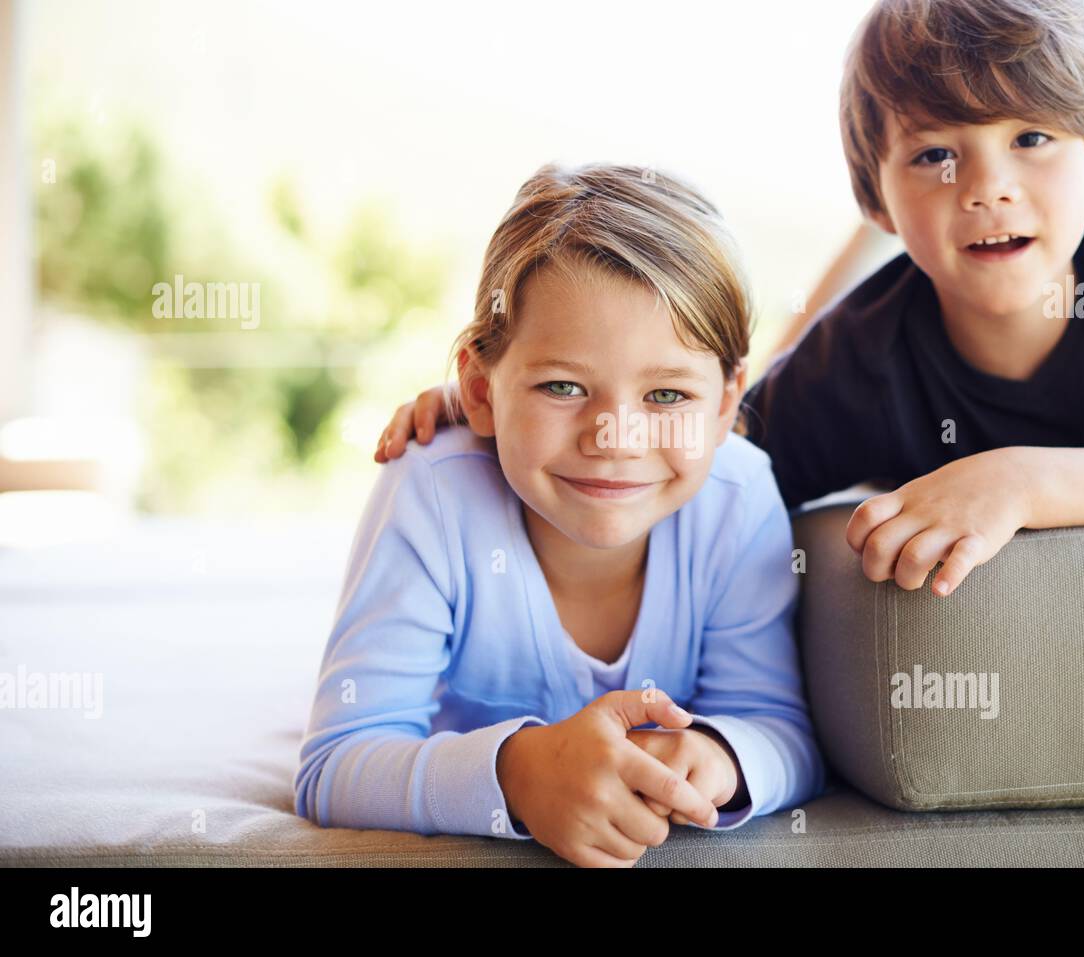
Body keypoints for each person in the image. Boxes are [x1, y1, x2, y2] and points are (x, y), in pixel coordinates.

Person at [376, 0, 1084, 600]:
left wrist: (1013, 480)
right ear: (877, 200)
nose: (987, 187)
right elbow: (707, 437)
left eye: (1031, 138)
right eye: (934, 154)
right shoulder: (858, 356)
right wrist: (504, 393)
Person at [294, 163, 825, 868]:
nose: (614, 437)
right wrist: (518, 773)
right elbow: (336, 761)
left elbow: (779, 728)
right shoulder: (431, 491)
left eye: (667, 396)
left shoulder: (738, 497)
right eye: (563, 385)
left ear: (727, 403)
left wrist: (719, 755)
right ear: (480, 390)